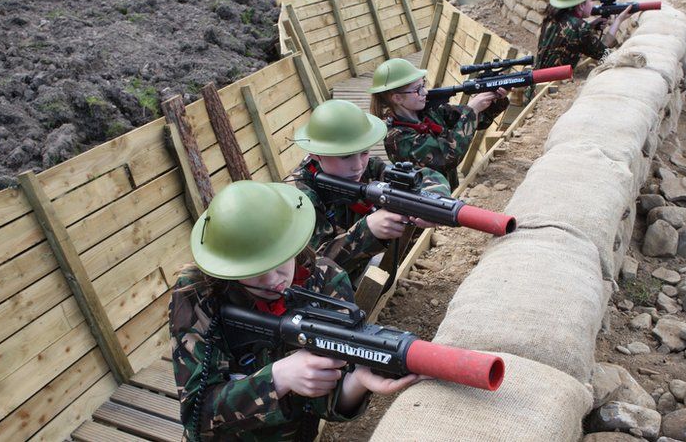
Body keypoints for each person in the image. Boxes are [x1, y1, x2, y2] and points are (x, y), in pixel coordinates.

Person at [170, 180, 421, 441]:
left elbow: (325, 399)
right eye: (253, 271)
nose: (271, 280)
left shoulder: (326, 279)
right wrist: (279, 377)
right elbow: (196, 416)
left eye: (279, 260)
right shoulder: (197, 293)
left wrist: (355, 382)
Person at [289, 99, 449, 282]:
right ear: (316, 154)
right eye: (345, 157)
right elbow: (310, 269)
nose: (358, 166)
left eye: (364, 152)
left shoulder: (368, 168)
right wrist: (368, 231)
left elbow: (427, 176)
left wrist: (433, 199)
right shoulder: (299, 197)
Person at [368, 58, 508, 191]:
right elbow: (449, 157)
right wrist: (472, 110)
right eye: (417, 89)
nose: (425, 92)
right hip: (428, 203)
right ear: (397, 98)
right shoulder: (398, 138)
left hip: (449, 193)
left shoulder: (428, 112)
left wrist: (494, 98)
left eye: (423, 85)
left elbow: (477, 121)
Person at [533, 0, 636, 71]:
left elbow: (566, 35)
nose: (592, 4)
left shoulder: (551, 19)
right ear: (581, 5)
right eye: (590, 1)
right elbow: (604, 54)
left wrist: (590, 26)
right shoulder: (580, 27)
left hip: (537, 78)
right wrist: (618, 20)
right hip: (553, 82)